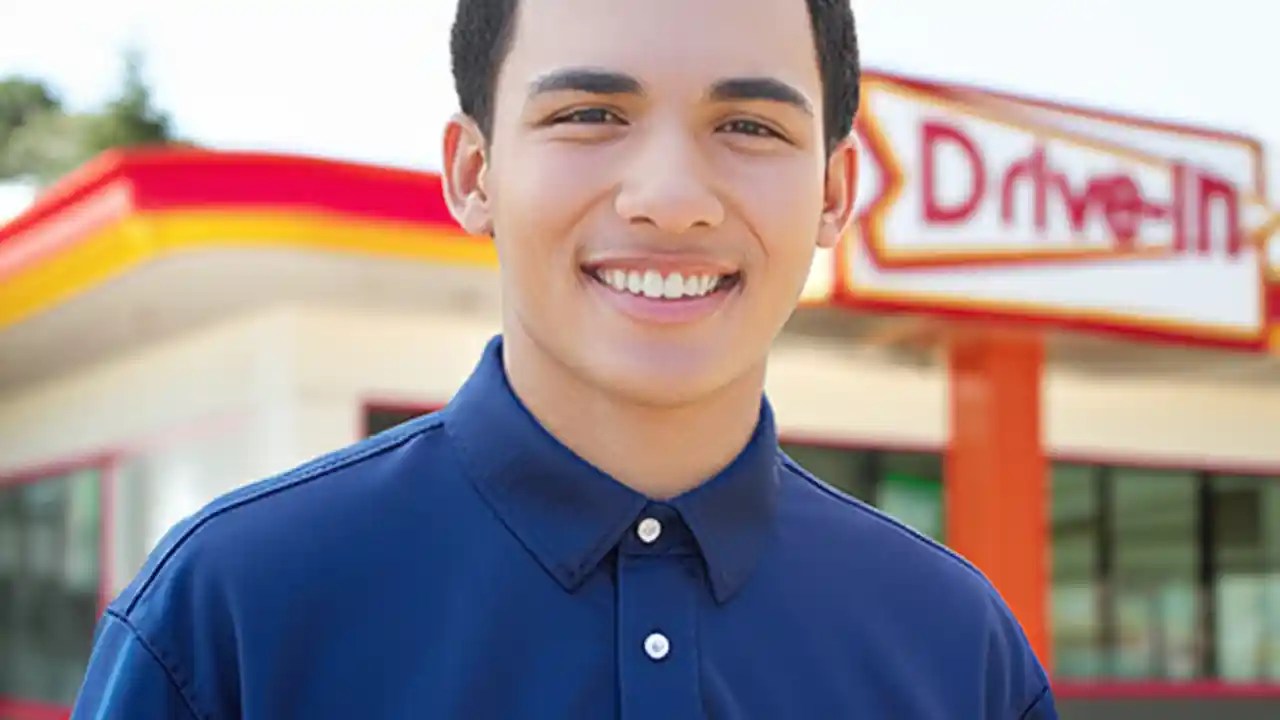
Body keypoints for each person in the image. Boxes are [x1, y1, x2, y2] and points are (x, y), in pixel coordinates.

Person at [71, 0, 1059, 717]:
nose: (671, 197)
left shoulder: (953, 648)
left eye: (748, 126)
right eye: (589, 114)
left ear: (834, 195)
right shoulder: (231, 612)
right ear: (473, 172)